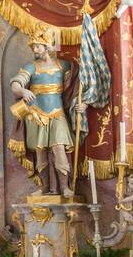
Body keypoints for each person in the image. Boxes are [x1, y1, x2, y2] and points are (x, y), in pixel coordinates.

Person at [10, 27, 84, 197]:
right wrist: (23, 91)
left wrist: (84, 104)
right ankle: (45, 187)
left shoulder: (63, 66)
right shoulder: (31, 67)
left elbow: (77, 86)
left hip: (58, 114)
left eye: (37, 46)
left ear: (47, 46)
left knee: (59, 149)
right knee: (40, 151)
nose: (34, 50)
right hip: (36, 114)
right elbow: (15, 84)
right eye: (34, 47)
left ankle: (64, 187)